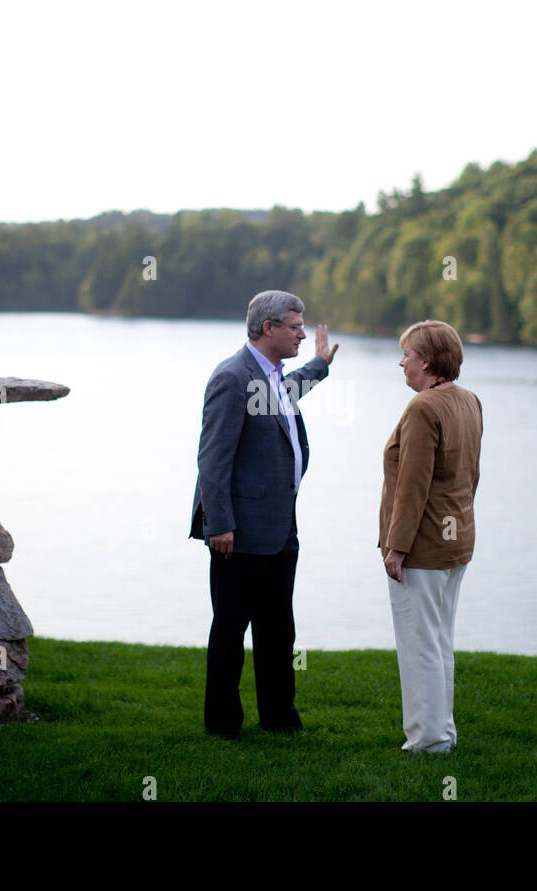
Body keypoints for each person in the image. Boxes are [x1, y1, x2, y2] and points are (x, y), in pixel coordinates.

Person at [190, 290, 338, 740]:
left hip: (280, 528)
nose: (301, 332)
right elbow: (212, 459)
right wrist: (220, 524)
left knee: (278, 632)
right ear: (268, 328)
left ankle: (279, 719)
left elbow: (288, 393)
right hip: (238, 533)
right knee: (231, 632)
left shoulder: (271, 375)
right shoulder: (232, 377)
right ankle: (222, 725)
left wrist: (320, 365)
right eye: (295, 326)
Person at [379, 320, 482, 754]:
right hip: (455, 541)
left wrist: (396, 546)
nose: (401, 361)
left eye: (407, 354)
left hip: (421, 547)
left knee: (421, 645)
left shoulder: (423, 408)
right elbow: (469, 477)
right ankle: (443, 732)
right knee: (439, 641)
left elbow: (412, 484)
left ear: (427, 361)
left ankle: (428, 740)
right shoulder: (469, 400)